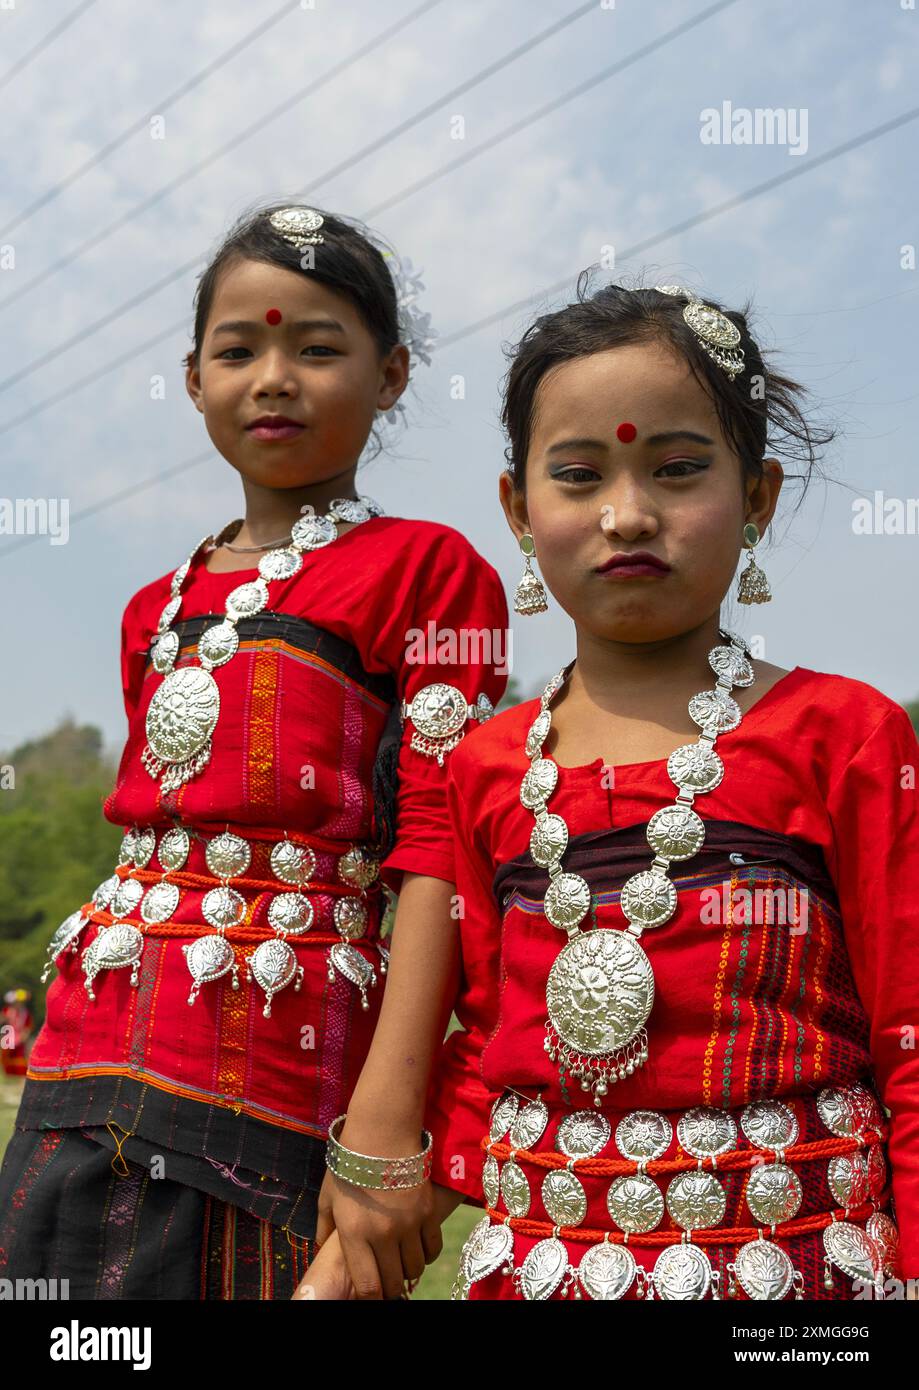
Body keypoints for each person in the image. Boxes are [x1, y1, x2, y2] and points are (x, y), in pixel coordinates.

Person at [305, 277, 919, 1302]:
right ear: (517, 507)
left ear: (757, 497)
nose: (627, 514)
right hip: (539, 1266)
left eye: (678, 470)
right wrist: (370, 1222)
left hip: (796, 1278)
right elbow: (493, 1044)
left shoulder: (844, 735)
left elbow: (909, 1039)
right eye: (578, 475)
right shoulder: (484, 765)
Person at [0, 201, 508, 1300]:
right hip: (81, 1058)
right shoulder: (153, 605)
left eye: (318, 348)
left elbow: (439, 853)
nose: (273, 377)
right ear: (193, 380)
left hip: (279, 1073)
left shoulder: (428, 573)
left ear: (394, 374)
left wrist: (385, 1129)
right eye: (239, 349)